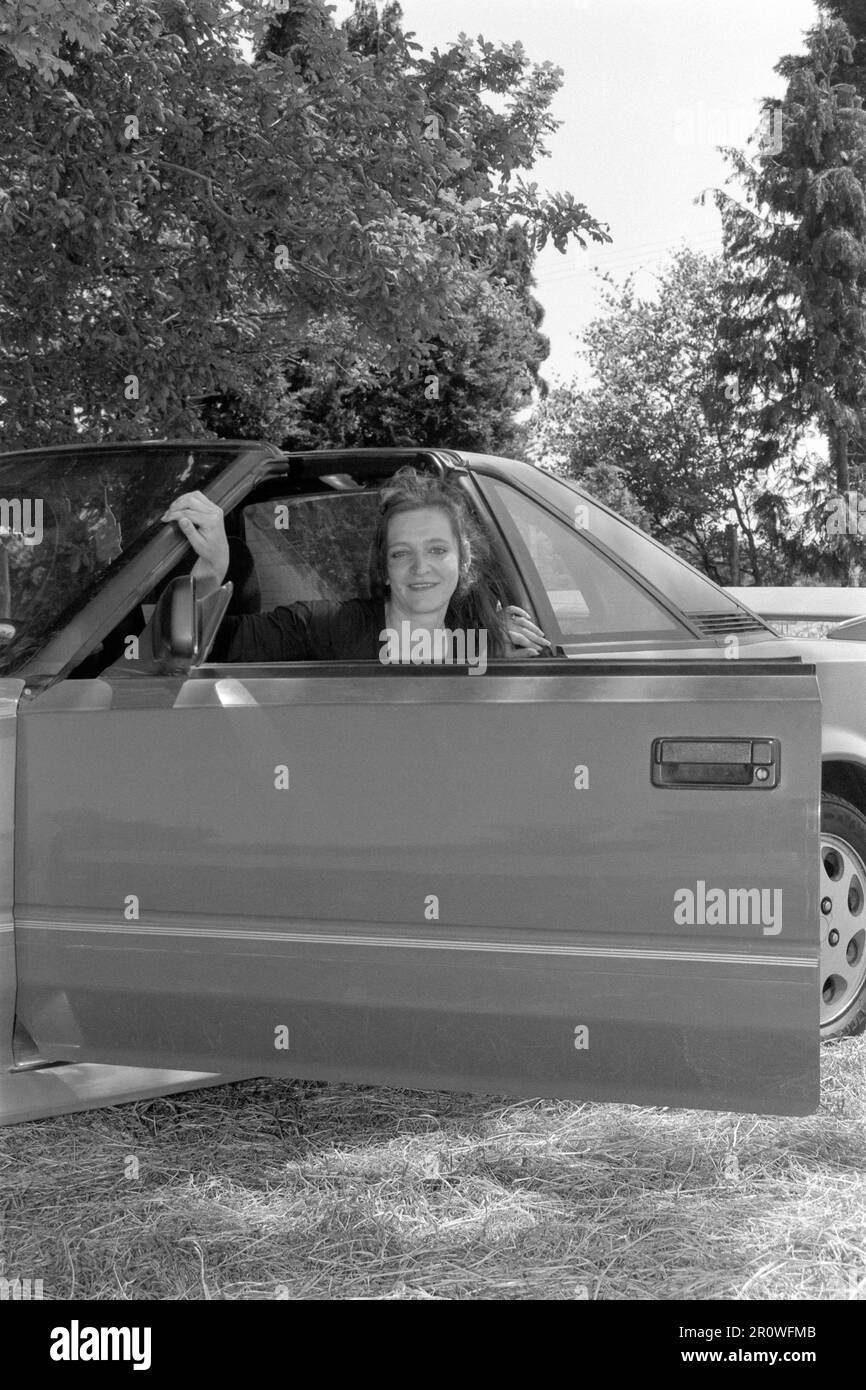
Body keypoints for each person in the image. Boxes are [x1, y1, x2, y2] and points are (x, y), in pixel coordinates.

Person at [161, 466, 552, 664]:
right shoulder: (326, 628)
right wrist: (214, 564)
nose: (420, 568)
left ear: (463, 559)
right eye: (401, 553)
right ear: (383, 567)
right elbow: (196, 645)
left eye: (437, 550)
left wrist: (497, 652)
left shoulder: (485, 644)